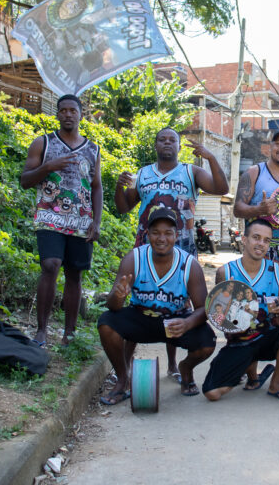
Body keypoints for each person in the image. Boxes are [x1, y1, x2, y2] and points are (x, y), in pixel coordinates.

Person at [114, 128, 228, 381]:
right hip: (146, 245)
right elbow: (123, 208)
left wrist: (210, 157)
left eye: (172, 140)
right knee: (138, 303)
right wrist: (118, 188)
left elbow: (221, 188)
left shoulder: (191, 171)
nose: (167, 143)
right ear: (155, 145)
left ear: (178, 146)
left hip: (183, 245)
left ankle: (173, 365)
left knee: (178, 306)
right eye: (161, 139)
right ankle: (123, 365)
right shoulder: (142, 174)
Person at [97, 208, 216, 403]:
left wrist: (187, 324)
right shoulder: (133, 259)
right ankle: (122, 379)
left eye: (168, 233)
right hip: (141, 319)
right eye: (156, 232)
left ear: (176, 236)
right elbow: (113, 306)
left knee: (207, 341)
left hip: (175, 323)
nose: (162, 238)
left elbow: (204, 309)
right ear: (147, 235)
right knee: (106, 323)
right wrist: (118, 297)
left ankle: (185, 368)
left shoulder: (189, 265)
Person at [20, 94, 102, 346]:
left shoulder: (93, 149)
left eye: (72, 110)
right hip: (49, 216)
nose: (68, 114)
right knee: (50, 265)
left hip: (80, 221)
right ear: (57, 114)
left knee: (74, 274)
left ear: (80, 115)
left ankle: (69, 333)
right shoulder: (42, 143)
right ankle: (42, 330)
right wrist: (48, 167)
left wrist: (96, 222)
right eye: (63, 110)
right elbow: (25, 180)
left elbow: (97, 187)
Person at [233, 126, 279, 382]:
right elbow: (238, 208)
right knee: (250, 304)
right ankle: (245, 360)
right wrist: (259, 208)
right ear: (270, 146)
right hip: (259, 253)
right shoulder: (254, 172)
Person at [203, 219, 279, 403]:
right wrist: (237, 314)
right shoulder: (226, 272)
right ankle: (251, 373)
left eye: (266, 240)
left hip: (267, 337)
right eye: (256, 238)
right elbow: (219, 317)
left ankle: (276, 384)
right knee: (212, 393)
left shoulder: (275, 269)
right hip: (240, 340)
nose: (261, 244)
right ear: (244, 239)